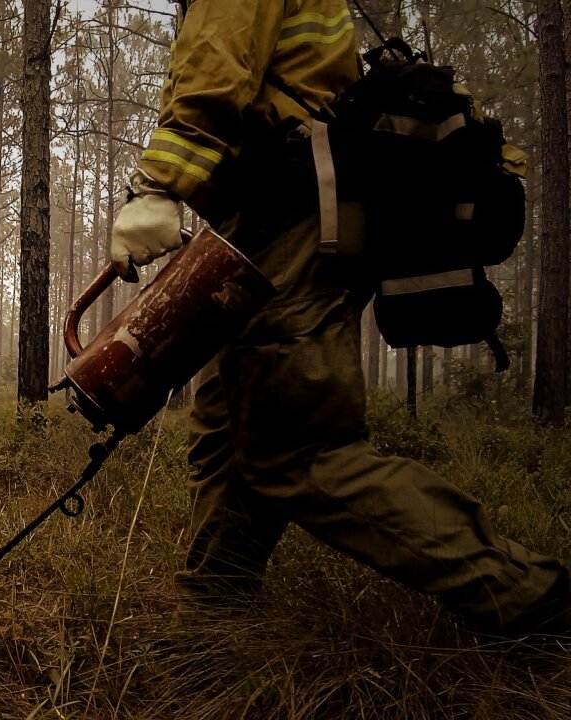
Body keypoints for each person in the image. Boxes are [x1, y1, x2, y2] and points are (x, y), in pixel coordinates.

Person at [109, 0, 571, 639]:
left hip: (287, 219)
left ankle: (529, 595)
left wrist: (159, 185)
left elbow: (217, 62)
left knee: (298, 450)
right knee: (228, 430)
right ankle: (213, 614)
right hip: (277, 223)